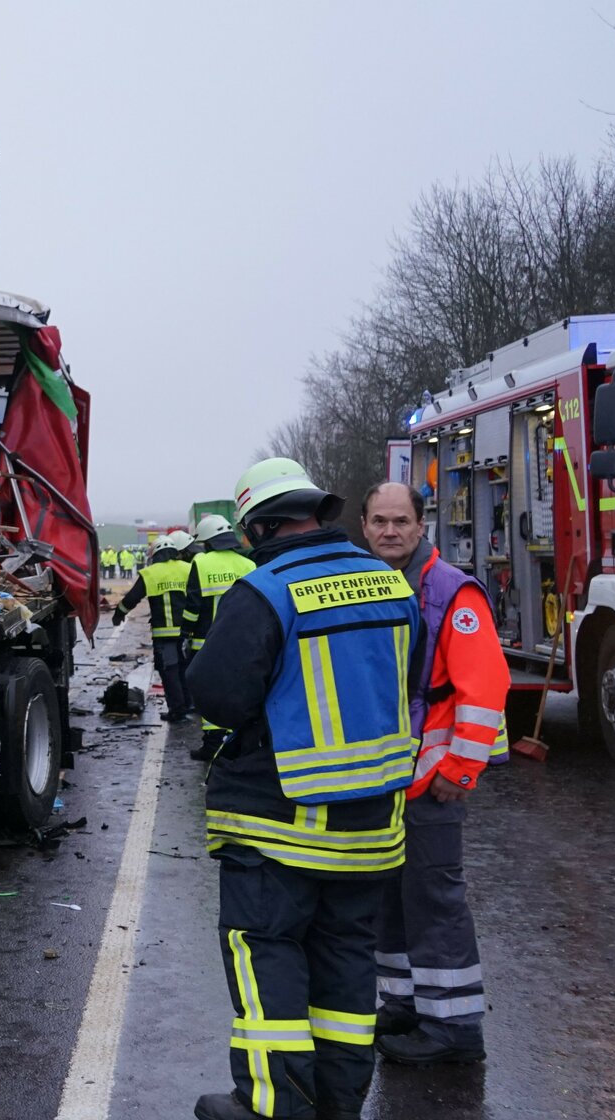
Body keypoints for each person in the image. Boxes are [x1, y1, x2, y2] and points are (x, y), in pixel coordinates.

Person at [185, 459, 420, 1120]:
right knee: (347, 964)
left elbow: (220, 697)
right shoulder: (392, 584)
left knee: (267, 957)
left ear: (258, 526)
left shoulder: (267, 589)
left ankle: (270, 1106)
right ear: (320, 512)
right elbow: (407, 676)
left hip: (279, 822)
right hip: (373, 825)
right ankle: (338, 1102)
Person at [359, 482, 509, 1066]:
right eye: (379, 521)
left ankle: (453, 1030)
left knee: (434, 899)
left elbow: (485, 690)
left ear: (422, 527)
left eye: (401, 521)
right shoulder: (369, 585)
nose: (390, 531)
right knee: (390, 899)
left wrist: (460, 770)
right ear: (365, 526)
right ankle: (401, 1005)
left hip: (434, 782)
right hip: (388, 780)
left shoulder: (452, 593)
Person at [183, 513, 256, 762]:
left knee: (210, 693)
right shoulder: (247, 564)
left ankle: (212, 744)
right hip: (244, 643)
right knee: (241, 691)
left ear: (208, 541)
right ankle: (240, 743)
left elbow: (192, 605)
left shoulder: (201, 562)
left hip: (207, 644)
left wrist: (186, 633)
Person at [113, 530, 195, 722]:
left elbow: (132, 598)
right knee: (186, 668)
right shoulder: (188, 568)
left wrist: (119, 614)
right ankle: (190, 703)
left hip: (165, 635)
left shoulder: (150, 573)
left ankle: (177, 710)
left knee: (170, 672)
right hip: (187, 632)